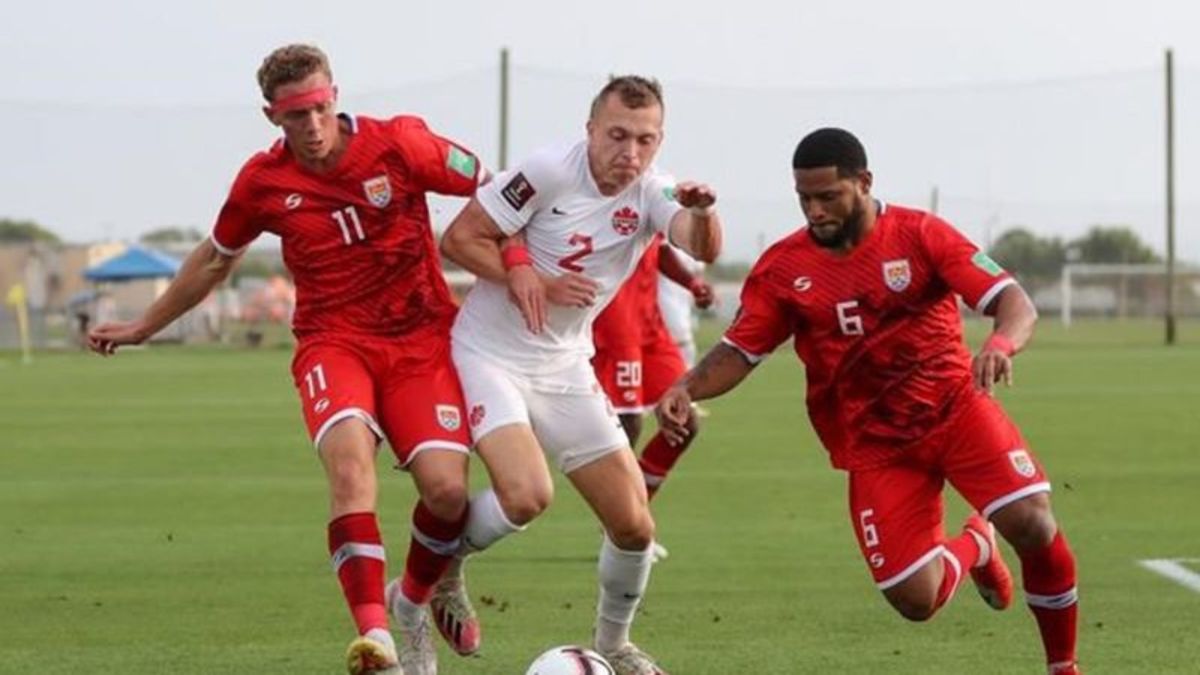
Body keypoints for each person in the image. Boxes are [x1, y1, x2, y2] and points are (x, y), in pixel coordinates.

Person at [86, 44, 485, 675]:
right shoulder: (262, 182)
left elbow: (500, 194)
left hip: (421, 342)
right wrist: (144, 325)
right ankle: (376, 638)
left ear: (336, 96)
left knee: (446, 493)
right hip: (334, 341)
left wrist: (518, 270)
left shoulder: (401, 145)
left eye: (322, 107)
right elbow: (216, 259)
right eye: (297, 115)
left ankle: (413, 600)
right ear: (272, 115)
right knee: (351, 470)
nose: (314, 125)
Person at [656, 128, 1081, 675]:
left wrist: (1000, 343)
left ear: (864, 183)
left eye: (828, 196)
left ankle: (1063, 667)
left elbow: (1012, 301)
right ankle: (976, 543)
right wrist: (684, 387)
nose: (815, 211)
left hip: (956, 410)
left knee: (1034, 523)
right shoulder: (784, 268)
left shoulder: (920, 234)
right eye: (804, 199)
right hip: (874, 444)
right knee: (916, 600)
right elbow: (741, 350)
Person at [438, 75, 722, 674]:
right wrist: (534, 280)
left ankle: (615, 646)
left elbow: (701, 245)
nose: (631, 153)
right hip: (489, 352)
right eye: (618, 135)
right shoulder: (546, 171)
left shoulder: (652, 191)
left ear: (660, 139)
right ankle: (440, 565)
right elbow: (459, 239)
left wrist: (705, 212)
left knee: (634, 524)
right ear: (590, 129)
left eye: (646, 140)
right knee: (525, 495)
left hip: (565, 364)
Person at [591, 234, 713, 561]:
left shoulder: (650, 186)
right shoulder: (603, 185)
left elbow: (658, 249)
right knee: (625, 427)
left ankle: (628, 520)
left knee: (684, 419)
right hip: (616, 322)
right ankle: (621, 530)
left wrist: (692, 281)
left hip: (650, 324)